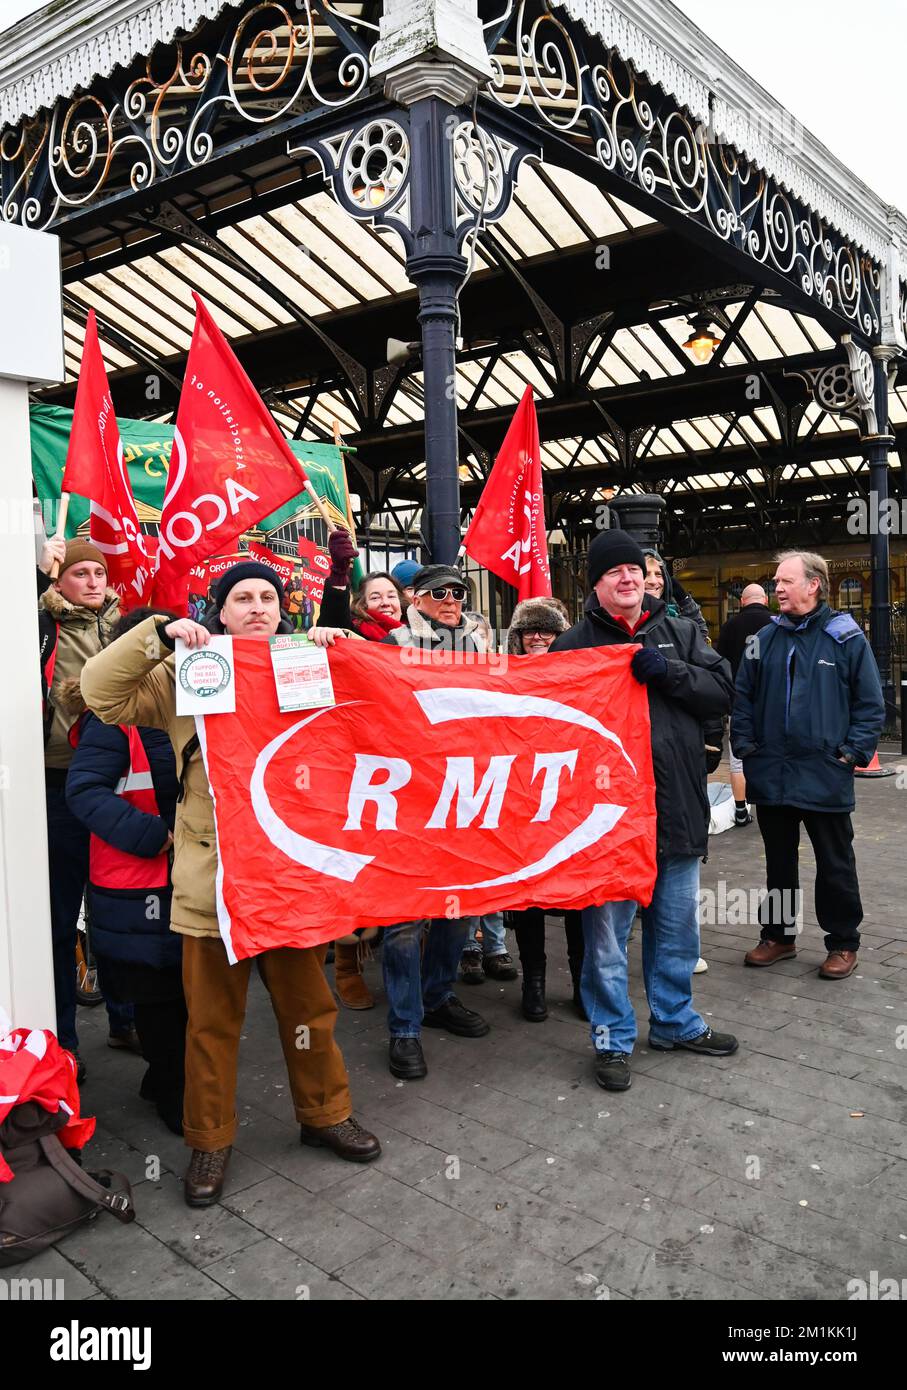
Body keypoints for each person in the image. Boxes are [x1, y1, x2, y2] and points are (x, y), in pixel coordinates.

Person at [81, 561, 380, 1207]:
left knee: (309, 1012)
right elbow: (99, 691)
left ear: (282, 609)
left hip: (290, 877)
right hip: (214, 882)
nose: (255, 606)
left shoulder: (309, 662)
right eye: (240, 597)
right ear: (219, 610)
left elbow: (385, 707)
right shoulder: (186, 671)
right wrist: (160, 633)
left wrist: (349, 647)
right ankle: (208, 1140)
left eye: (267, 597)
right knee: (211, 1024)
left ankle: (325, 1115)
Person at [551, 529, 737, 1092]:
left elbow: (723, 693)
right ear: (597, 584)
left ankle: (675, 1022)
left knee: (677, 932)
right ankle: (611, 1037)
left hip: (675, 807)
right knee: (607, 942)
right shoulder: (573, 644)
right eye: (614, 572)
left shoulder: (680, 631)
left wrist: (671, 672)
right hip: (606, 820)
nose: (628, 577)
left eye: (635, 568)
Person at [732, 552, 884, 981]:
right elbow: (742, 696)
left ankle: (842, 942)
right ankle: (779, 937)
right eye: (775, 581)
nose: (777, 587)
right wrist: (746, 745)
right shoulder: (765, 636)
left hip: (824, 772)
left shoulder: (846, 637)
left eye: (785, 581)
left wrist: (850, 753)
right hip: (773, 773)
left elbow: (870, 705)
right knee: (778, 862)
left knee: (834, 862)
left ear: (813, 584)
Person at [66, 607, 186, 1135]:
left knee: (183, 991)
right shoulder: (111, 718)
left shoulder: (193, 699)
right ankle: (172, 1090)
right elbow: (85, 791)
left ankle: (166, 1078)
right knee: (160, 995)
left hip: (182, 879)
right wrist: (154, 835)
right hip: (139, 884)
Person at [377, 564, 493, 1080]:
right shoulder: (391, 641)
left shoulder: (482, 643)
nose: (452, 599)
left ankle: (438, 994)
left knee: (459, 908)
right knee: (403, 921)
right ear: (416, 598)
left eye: (459, 592)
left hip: (465, 796)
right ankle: (404, 1027)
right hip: (408, 797)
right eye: (441, 593)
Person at [38, 536, 139, 1080]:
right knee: (59, 916)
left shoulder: (128, 628)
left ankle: (125, 1019)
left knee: (116, 906)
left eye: (98, 574)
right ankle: (65, 1042)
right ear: (58, 581)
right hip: (57, 782)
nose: (93, 582)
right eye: (80, 574)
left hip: (122, 781)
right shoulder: (40, 624)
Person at [495, 597, 586, 1020]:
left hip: (571, 798)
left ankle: (583, 982)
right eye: (529, 630)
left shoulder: (583, 675)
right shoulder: (502, 677)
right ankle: (534, 982)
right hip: (522, 801)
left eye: (547, 630)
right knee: (528, 894)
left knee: (577, 897)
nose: (537, 636)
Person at [715, 583, 773, 826]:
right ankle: (773, 807)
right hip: (772, 703)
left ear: (742, 602)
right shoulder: (776, 623)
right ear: (766, 601)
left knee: (738, 758)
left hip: (739, 702)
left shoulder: (729, 627)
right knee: (773, 755)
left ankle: (740, 810)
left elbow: (719, 665)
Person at [642, 550, 709, 643]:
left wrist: (684, 599)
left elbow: (699, 638)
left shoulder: (672, 615)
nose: (653, 581)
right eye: (645, 574)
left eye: (658, 574)